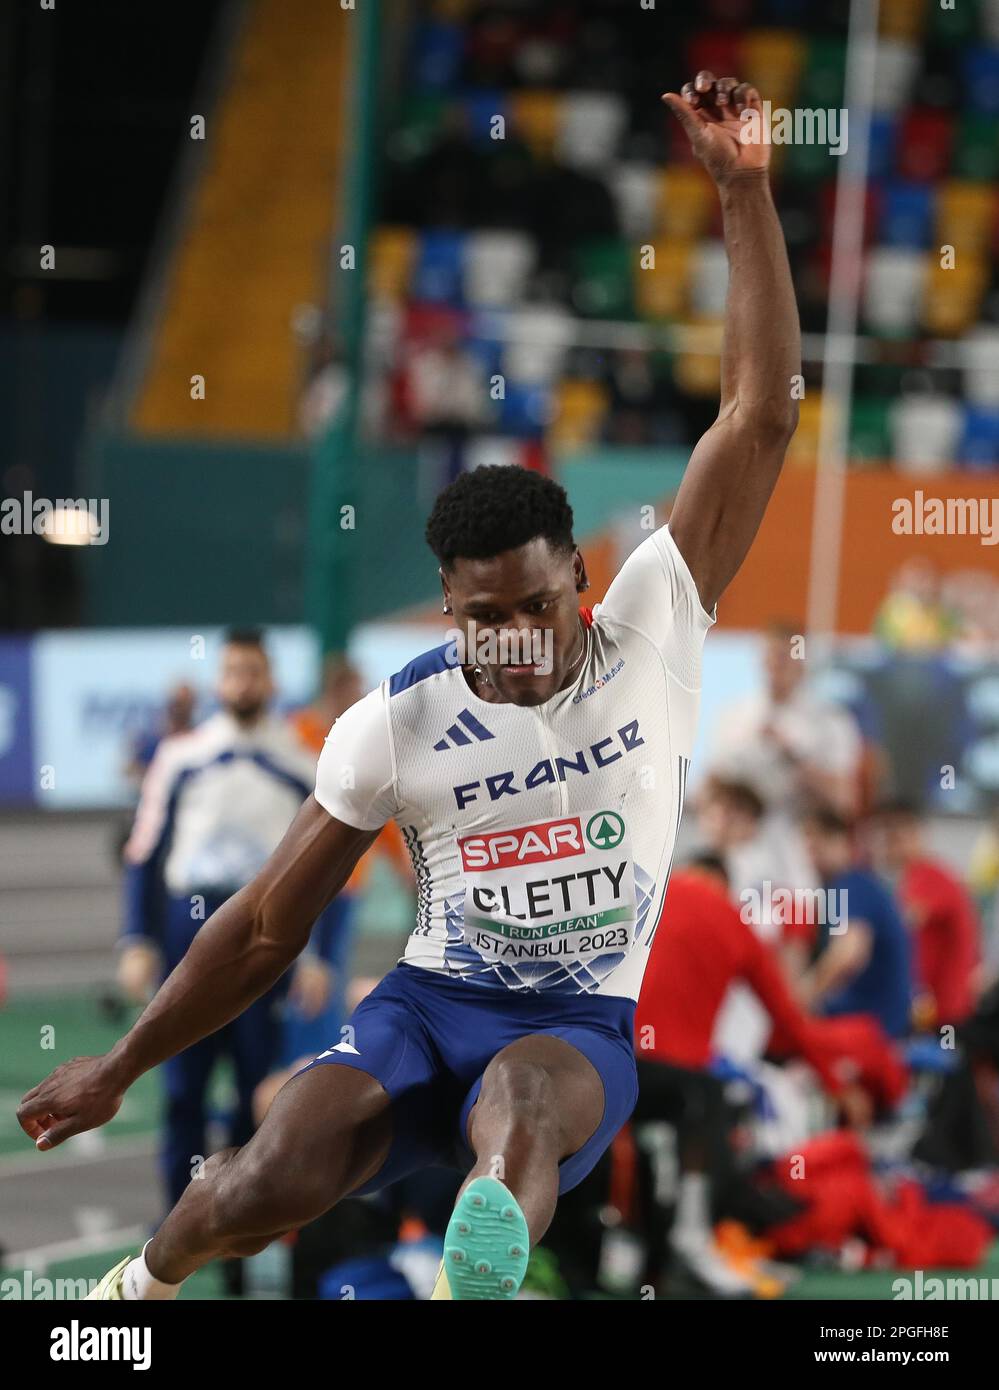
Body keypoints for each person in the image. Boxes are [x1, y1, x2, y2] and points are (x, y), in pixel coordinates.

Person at [19, 71, 802, 1303]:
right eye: (480, 619)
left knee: (518, 1109)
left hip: (580, 1027)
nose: (510, 643)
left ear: (578, 582)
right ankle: (133, 1295)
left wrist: (743, 190)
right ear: (450, 609)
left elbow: (757, 417)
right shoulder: (397, 721)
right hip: (430, 1003)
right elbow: (268, 928)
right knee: (263, 1178)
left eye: (535, 609)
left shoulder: (655, 622)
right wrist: (120, 1064)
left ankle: (480, 1253)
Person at [114, 629, 340, 1211]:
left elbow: (318, 866)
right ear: (220, 680)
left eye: (254, 672)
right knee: (183, 1088)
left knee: (254, 1089)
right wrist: (137, 938)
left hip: (265, 935)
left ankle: (237, 1230)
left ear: (272, 682)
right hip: (188, 928)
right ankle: (172, 1230)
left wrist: (312, 955)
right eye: (233, 671)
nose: (243, 682)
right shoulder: (180, 757)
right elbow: (145, 851)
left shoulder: (301, 762)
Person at [633, 856, 844, 1296]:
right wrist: (838, 1086)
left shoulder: (642, 896)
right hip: (683, 1086)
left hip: (607, 1067)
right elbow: (788, 1019)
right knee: (712, 1101)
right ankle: (693, 1240)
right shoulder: (732, 919)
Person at [707, 620, 863, 824]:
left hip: (801, 839)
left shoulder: (831, 721)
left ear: (803, 662)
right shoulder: (734, 715)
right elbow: (713, 786)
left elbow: (844, 800)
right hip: (745, 839)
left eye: (785, 657)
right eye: (771, 656)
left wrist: (792, 757)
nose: (776, 666)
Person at [800, 806, 913, 1041]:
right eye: (808, 845)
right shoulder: (849, 887)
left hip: (872, 1029)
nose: (812, 854)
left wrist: (800, 999)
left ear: (846, 845)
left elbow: (848, 954)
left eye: (821, 844)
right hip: (870, 1020)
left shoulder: (852, 886)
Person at [868, 798, 981, 1027]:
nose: (886, 847)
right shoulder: (915, 877)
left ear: (916, 834)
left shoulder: (929, 876)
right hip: (933, 1010)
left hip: (944, 1014)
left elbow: (900, 923)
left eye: (893, 838)